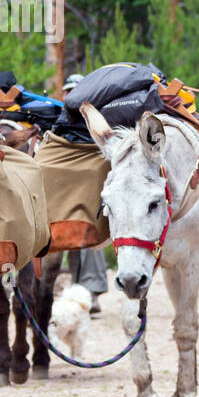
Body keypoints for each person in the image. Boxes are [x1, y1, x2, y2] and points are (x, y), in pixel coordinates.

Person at [62, 72, 107, 314]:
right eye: (68, 91)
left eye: (75, 91)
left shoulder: (98, 121)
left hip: (91, 185)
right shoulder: (56, 118)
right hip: (65, 185)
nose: (71, 96)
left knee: (89, 234)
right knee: (67, 235)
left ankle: (90, 291)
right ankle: (77, 289)